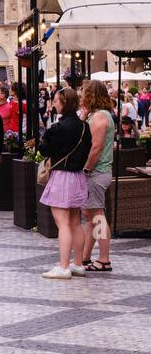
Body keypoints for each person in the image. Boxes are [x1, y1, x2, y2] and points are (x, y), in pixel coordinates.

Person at [38, 88, 93, 279]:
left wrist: (44, 138)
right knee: (76, 222)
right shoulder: (85, 126)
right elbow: (88, 150)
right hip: (78, 176)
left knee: (63, 224)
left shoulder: (58, 127)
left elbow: (44, 150)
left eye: (55, 101)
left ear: (64, 103)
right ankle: (78, 264)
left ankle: (63, 266)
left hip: (62, 176)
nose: (53, 104)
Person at [78, 81, 116, 273]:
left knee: (97, 216)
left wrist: (86, 169)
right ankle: (85, 256)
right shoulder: (99, 114)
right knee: (91, 215)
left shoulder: (100, 116)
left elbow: (96, 147)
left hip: (96, 171)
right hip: (99, 171)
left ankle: (103, 259)